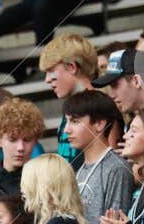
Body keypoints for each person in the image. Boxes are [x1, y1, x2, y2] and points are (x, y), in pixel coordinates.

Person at [63, 92, 135, 224]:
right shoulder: (78, 169)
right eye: (67, 121)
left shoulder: (116, 169)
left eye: (75, 121)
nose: (66, 130)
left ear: (99, 124)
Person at [40, 34, 99, 162]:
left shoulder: (100, 107)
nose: (47, 79)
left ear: (72, 67)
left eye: (51, 70)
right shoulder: (71, 107)